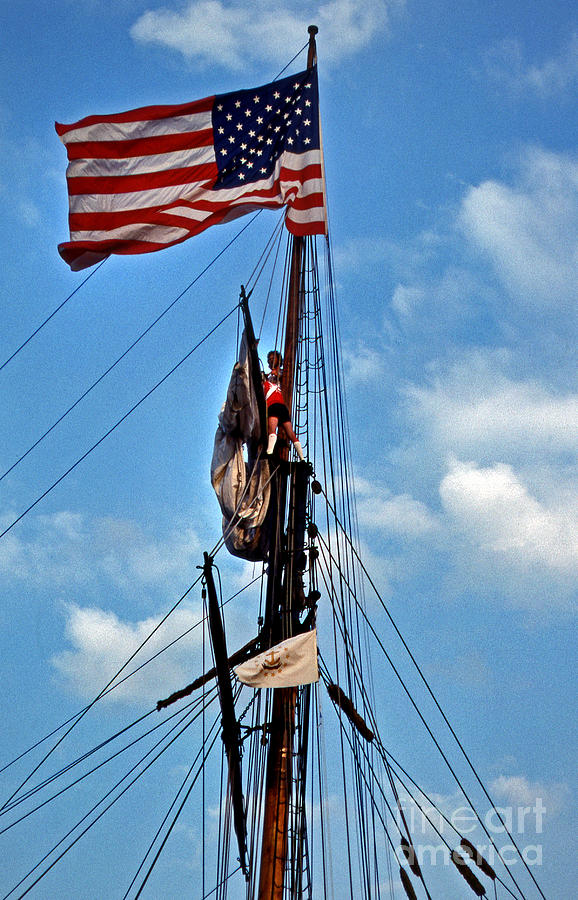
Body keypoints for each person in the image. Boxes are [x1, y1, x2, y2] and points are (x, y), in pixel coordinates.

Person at [263, 351, 305, 460]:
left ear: (279, 360)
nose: (271, 360)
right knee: (290, 433)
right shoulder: (268, 378)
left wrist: (274, 374)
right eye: (269, 359)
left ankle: (269, 453)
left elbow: (282, 376)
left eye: (273, 358)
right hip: (280, 406)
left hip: (275, 405)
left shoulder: (283, 374)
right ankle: (302, 458)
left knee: (272, 430)